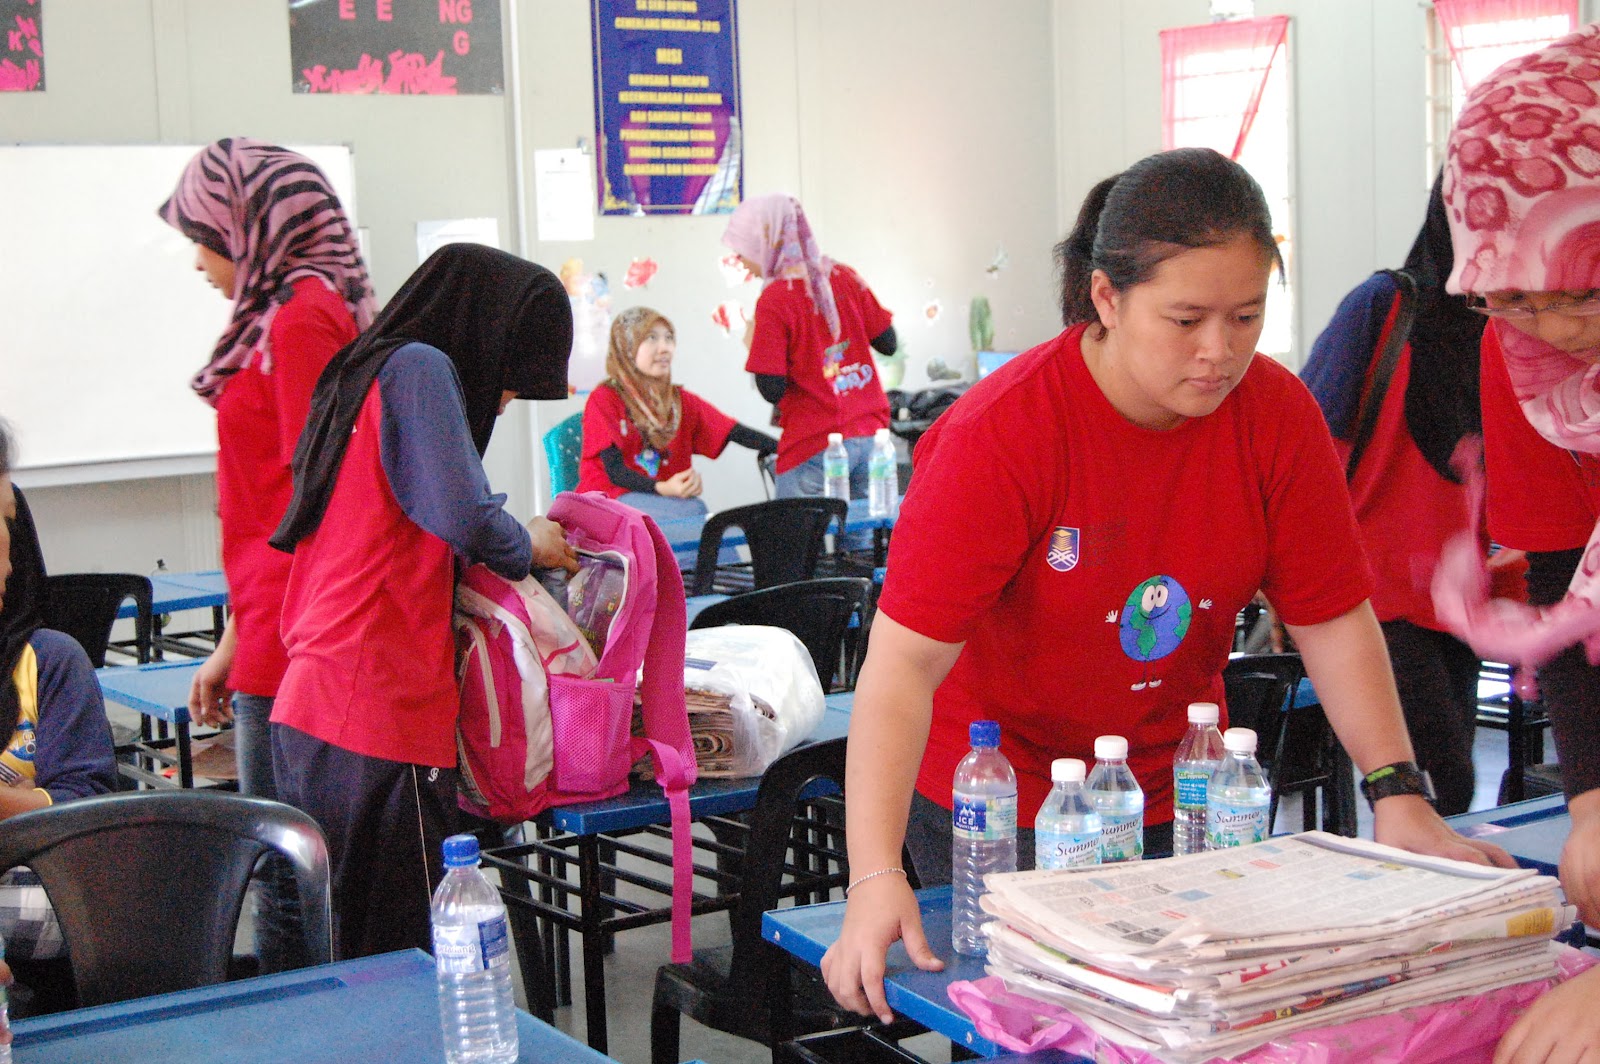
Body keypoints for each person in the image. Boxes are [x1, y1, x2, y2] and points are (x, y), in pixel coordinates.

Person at [820, 147, 1513, 1025]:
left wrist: (1397, 792)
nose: (1218, 353)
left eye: (1247, 317)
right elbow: (901, 668)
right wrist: (875, 876)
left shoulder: (1276, 418)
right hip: (1008, 810)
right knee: (1051, 1035)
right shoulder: (1002, 435)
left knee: (1204, 1026)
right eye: (1185, 320)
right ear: (1107, 299)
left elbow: (1334, 618)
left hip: (1187, 797)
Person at [266, 243, 579, 960]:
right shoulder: (420, 368)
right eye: (508, 381)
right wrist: (528, 542)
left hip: (319, 707)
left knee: (351, 952)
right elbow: (467, 516)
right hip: (380, 710)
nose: (501, 401)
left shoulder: (367, 372)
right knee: (399, 965)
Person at [1414, 25, 1600, 1063]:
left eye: (1581, 290)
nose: (1551, 327)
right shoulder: (1515, 355)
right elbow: (1572, 600)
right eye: (1512, 293)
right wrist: (1592, 799)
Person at [158, 138, 374, 973]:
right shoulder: (280, 315)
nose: (198, 259)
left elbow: (314, 503)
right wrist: (229, 641)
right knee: (278, 870)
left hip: (295, 643)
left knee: (283, 877)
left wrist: (259, 645)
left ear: (249, 227)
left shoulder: (301, 317)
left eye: (203, 235)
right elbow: (270, 507)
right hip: (268, 633)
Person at [1299, 177, 1491, 816]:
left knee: (1453, 774)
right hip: (1376, 587)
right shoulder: (1383, 305)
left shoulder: (1513, 317)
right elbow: (1307, 429)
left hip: (1462, 594)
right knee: (1444, 779)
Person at [0, 421, 118, 964]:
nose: (7, 564)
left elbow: (87, 811)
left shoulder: (48, 660)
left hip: (31, 880)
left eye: (7, 528)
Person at [721, 193, 898, 499]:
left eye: (742, 250)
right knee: (863, 545)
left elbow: (771, 388)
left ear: (765, 242)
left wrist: (761, 347)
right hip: (871, 439)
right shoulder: (845, 277)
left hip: (815, 446)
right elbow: (888, 343)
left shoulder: (776, 299)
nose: (741, 261)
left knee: (798, 544)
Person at [576, 305, 776, 524]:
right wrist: (664, 488)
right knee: (691, 514)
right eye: (651, 338)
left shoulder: (678, 402)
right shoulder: (604, 398)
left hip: (666, 504)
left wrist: (789, 450)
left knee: (695, 511)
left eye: (669, 338)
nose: (664, 348)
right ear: (626, 346)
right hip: (608, 502)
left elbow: (734, 431)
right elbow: (614, 471)